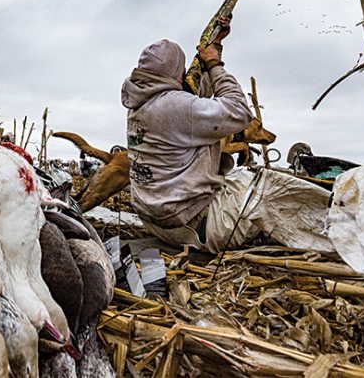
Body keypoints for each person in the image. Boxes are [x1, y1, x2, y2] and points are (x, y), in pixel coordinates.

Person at [120, 21, 333, 254]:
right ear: (175, 72)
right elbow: (239, 112)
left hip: (157, 223)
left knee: (240, 176)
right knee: (271, 186)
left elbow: (195, 102)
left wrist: (216, 44)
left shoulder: (139, 105)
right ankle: (338, 229)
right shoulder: (173, 106)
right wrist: (214, 64)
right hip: (197, 228)